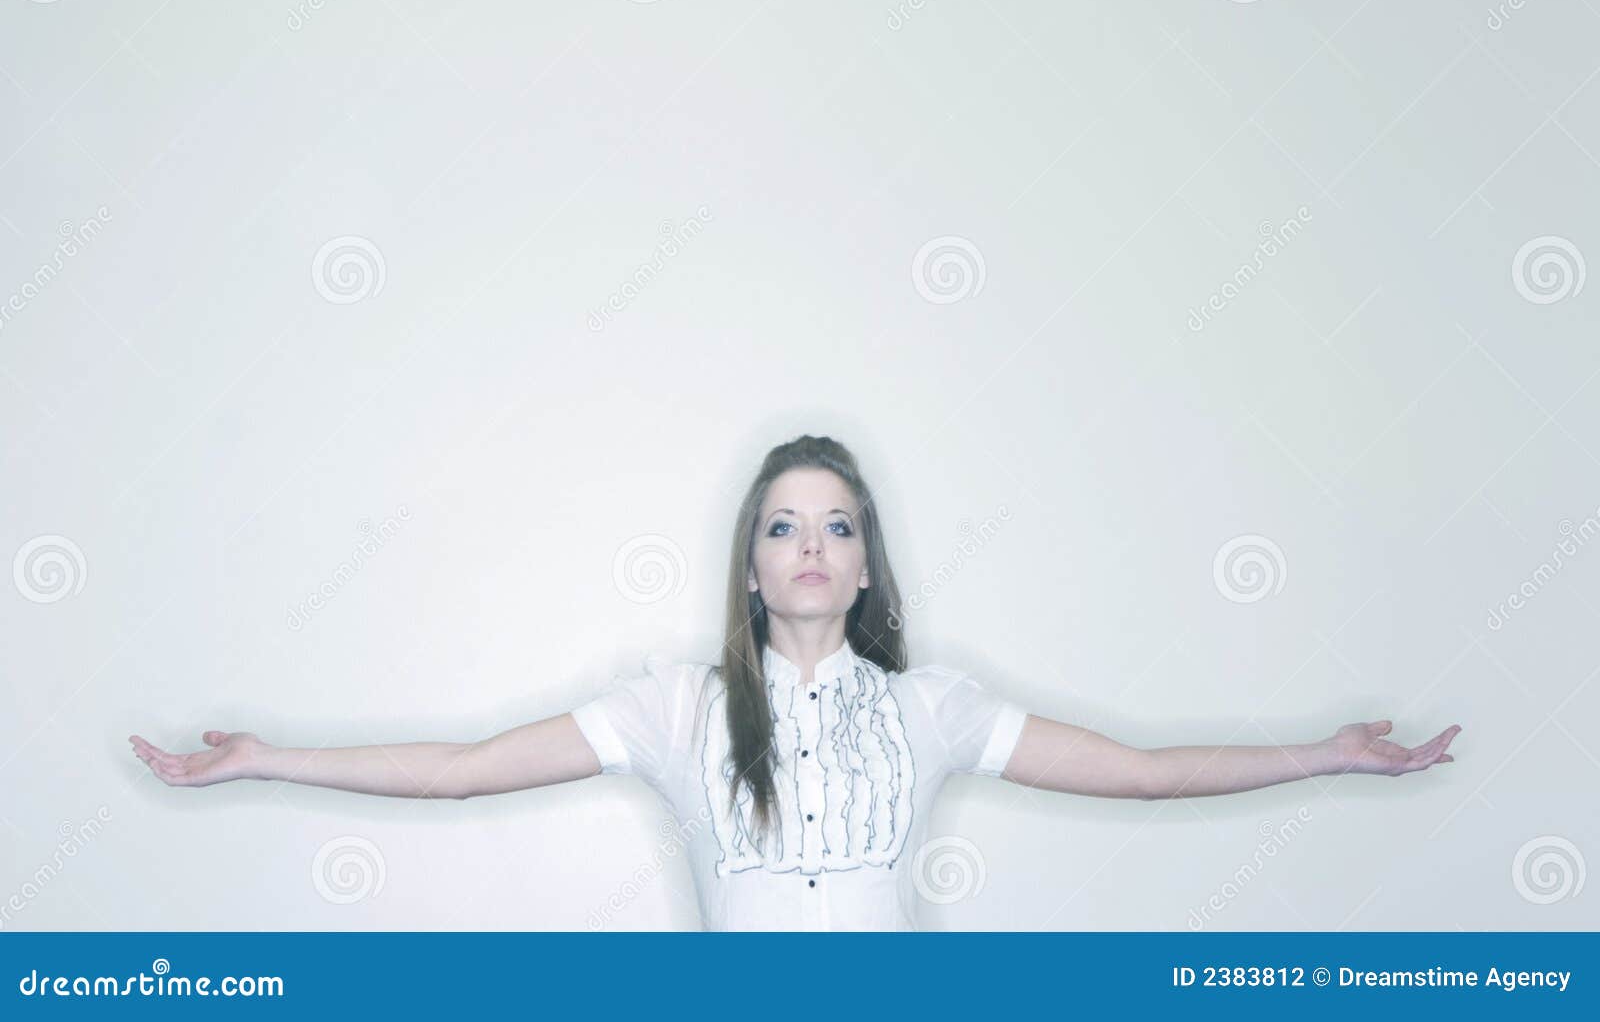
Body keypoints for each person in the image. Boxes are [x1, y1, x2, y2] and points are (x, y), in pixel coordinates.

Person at [129, 433, 1461, 930]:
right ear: (752, 567)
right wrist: (264, 757)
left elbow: (1151, 777)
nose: (810, 543)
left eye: (834, 523)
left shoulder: (931, 705)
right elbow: (460, 772)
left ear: (866, 563)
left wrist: (1328, 753)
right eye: (782, 524)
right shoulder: (676, 703)